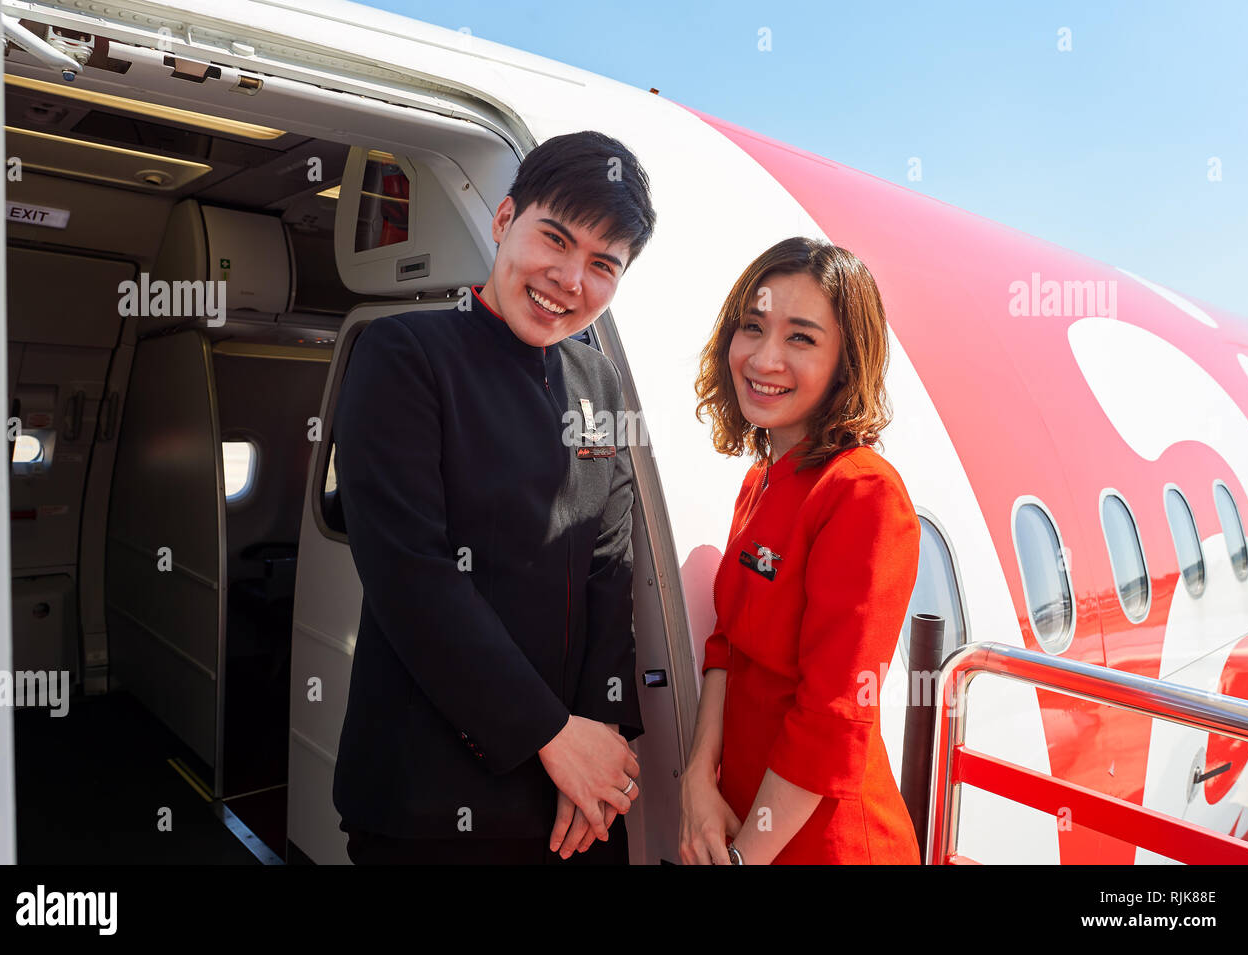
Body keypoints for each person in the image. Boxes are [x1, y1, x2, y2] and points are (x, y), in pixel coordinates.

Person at [331, 130, 655, 864]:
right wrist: (549, 732)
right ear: (504, 220)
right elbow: (410, 574)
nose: (571, 279)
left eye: (603, 265)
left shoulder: (598, 383)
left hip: (575, 799)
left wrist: (601, 739)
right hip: (430, 798)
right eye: (556, 239)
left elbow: (611, 566)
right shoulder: (404, 355)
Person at [680, 236, 921, 865]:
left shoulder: (862, 491)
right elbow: (726, 648)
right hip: (739, 825)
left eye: (801, 338)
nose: (764, 358)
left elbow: (836, 713)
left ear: (847, 362)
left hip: (819, 843)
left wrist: (744, 857)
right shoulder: (759, 483)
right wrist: (697, 780)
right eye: (752, 327)